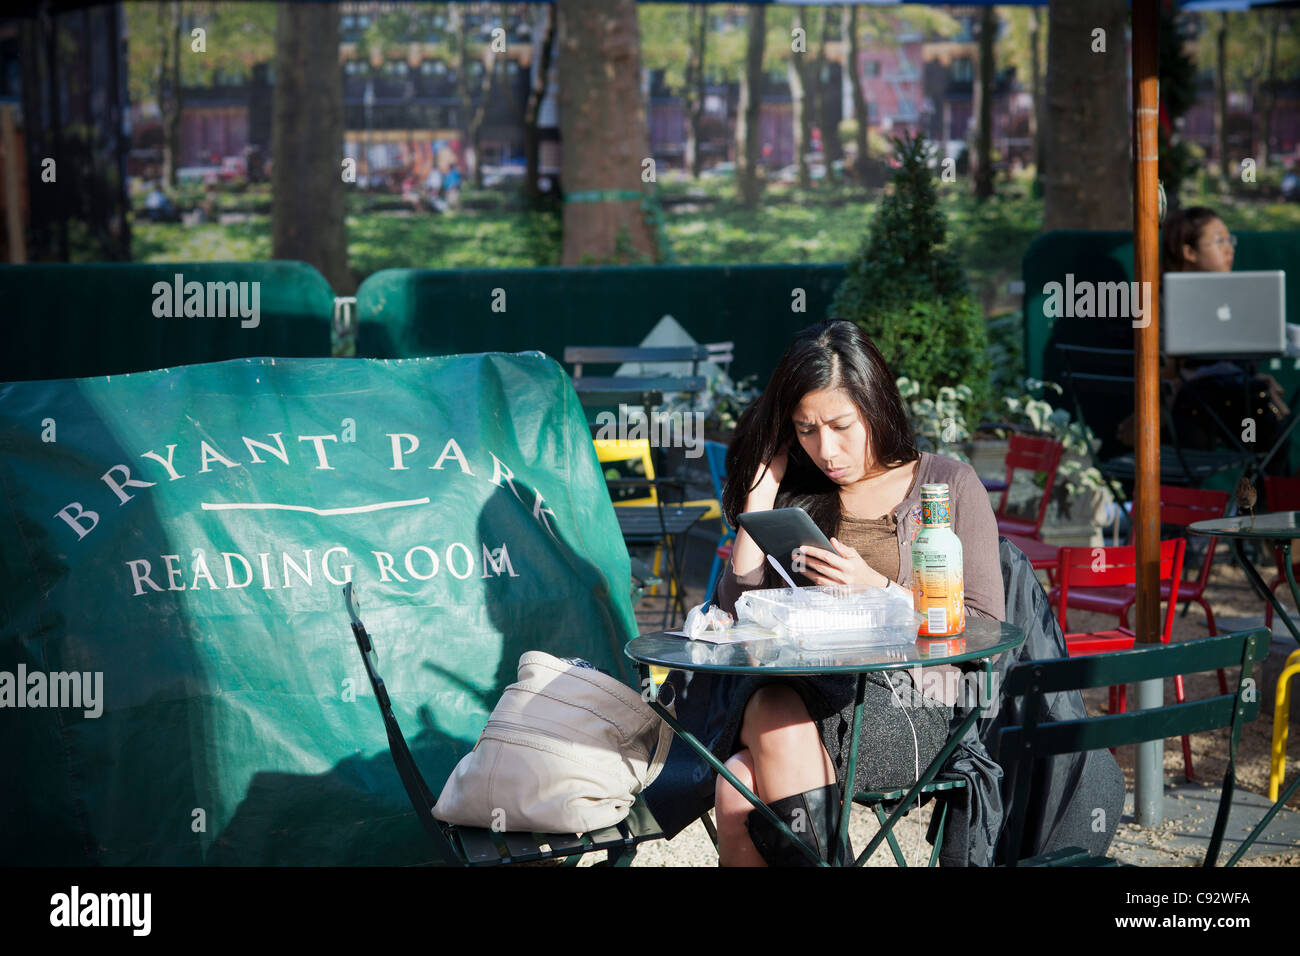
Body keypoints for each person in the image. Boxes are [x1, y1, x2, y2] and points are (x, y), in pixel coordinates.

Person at [709, 319, 1005, 866]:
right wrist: (758, 502)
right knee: (745, 768)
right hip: (800, 691)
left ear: (876, 405)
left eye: (842, 425)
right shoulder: (802, 494)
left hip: (910, 703)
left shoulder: (949, 484)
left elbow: (986, 627)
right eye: (805, 430)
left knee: (738, 789)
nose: (827, 449)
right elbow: (737, 620)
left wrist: (878, 590)